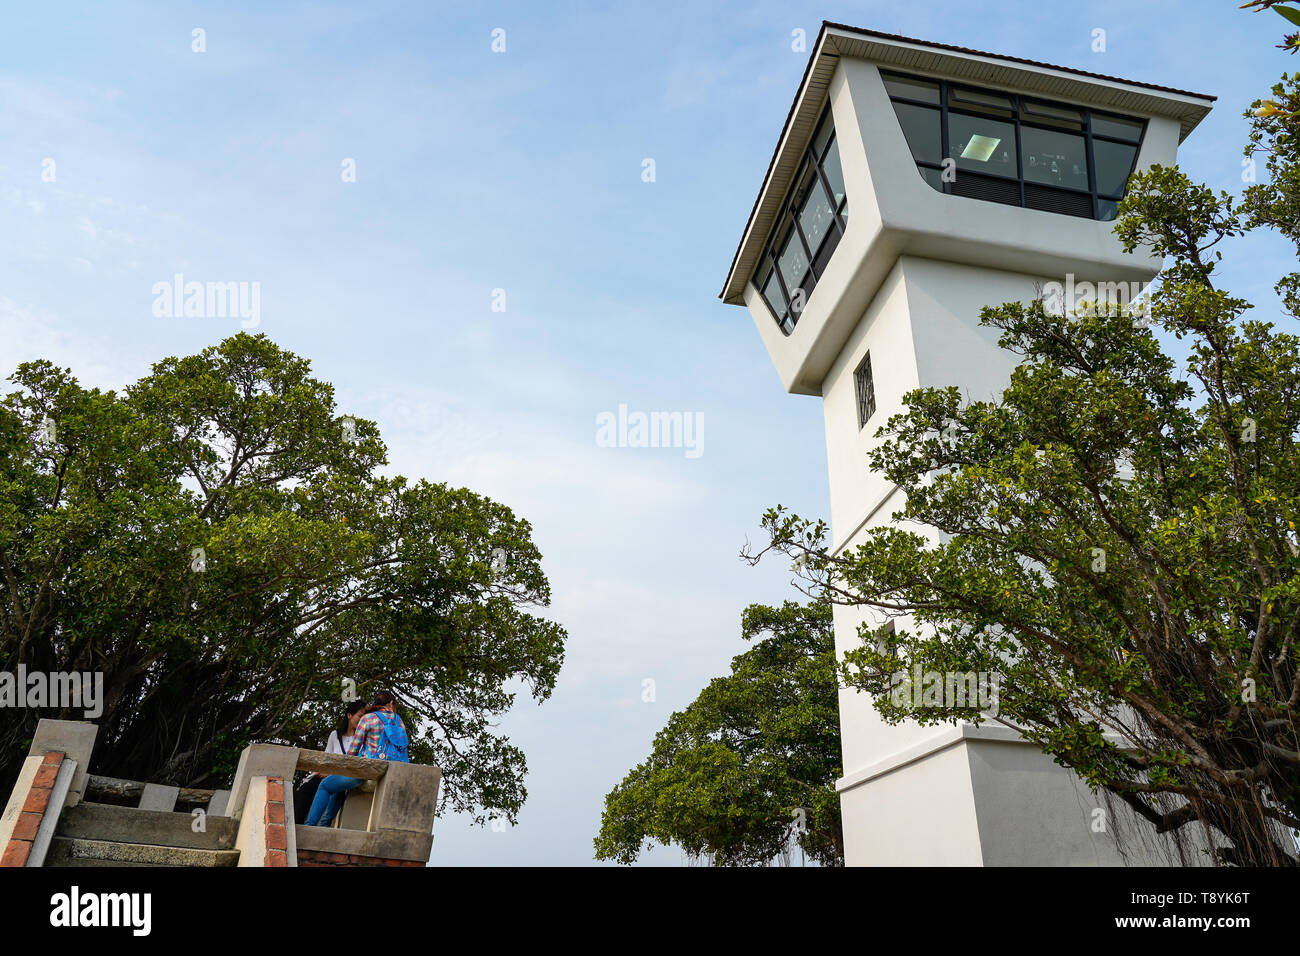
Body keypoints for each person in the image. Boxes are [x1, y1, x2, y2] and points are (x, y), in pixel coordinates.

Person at [305, 690, 410, 826]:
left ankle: (313, 825)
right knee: (338, 782)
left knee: (325, 785)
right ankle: (324, 824)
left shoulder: (368, 718)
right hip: (391, 771)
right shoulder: (399, 721)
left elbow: (352, 752)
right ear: (391, 703)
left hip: (368, 770)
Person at [294, 700, 365, 825]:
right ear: (349, 715)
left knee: (335, 790)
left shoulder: (361, 738)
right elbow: (326, 757)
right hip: (327, 773)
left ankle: (320, 825)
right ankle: (297, 825)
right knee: (306, 789)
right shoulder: (335, 735)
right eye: (360, 716)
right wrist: (316, 773)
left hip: (343, 775)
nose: (362, 720)